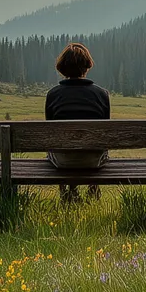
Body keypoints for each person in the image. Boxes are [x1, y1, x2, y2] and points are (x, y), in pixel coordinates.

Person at [45, 43, 110, 195]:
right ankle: (93, 189)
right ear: (87, 66)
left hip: (62, 161)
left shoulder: (53, 94)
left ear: (62, 67)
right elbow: (106, 133)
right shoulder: (101, 94)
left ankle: (67, 192)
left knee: (57, 149)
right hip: (93, 161)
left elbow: (49, 134)